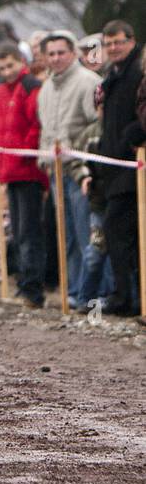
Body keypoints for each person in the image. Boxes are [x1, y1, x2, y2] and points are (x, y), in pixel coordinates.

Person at [35, 30, 99, 304]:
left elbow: (96, 124)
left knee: (87, 234)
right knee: (66, 235)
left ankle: (92, 292)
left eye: (61, 52)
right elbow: (46, 129)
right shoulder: (47, 88)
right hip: (56, 170)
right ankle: (73, 290)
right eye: (51, 53)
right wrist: (44, 158)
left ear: (73, 53)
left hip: (81, 169)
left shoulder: (89, 82)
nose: (57, 58)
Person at [93, 21, 144, 316]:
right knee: (117, 233)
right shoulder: (112, 75)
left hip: (132, 163)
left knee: (120, 229)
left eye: (118, 42)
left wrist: (135, 133)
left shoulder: (138, 72)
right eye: (108, 43)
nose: (113, 48)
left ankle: (129, 296)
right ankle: (126, 294)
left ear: (131, 41)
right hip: (113, 164)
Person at [0, 43, 47, 307]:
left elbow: (35, 126)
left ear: (21, 62)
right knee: (18, 231)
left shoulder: (30, 87)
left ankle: (33, 288)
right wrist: (1, 168)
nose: (6, 71)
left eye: (10, 65)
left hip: (28, 171)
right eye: (1, 68)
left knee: (29, 232)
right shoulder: (0, 92)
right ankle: (24, 282)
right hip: (10, 172)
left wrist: (24, 155)